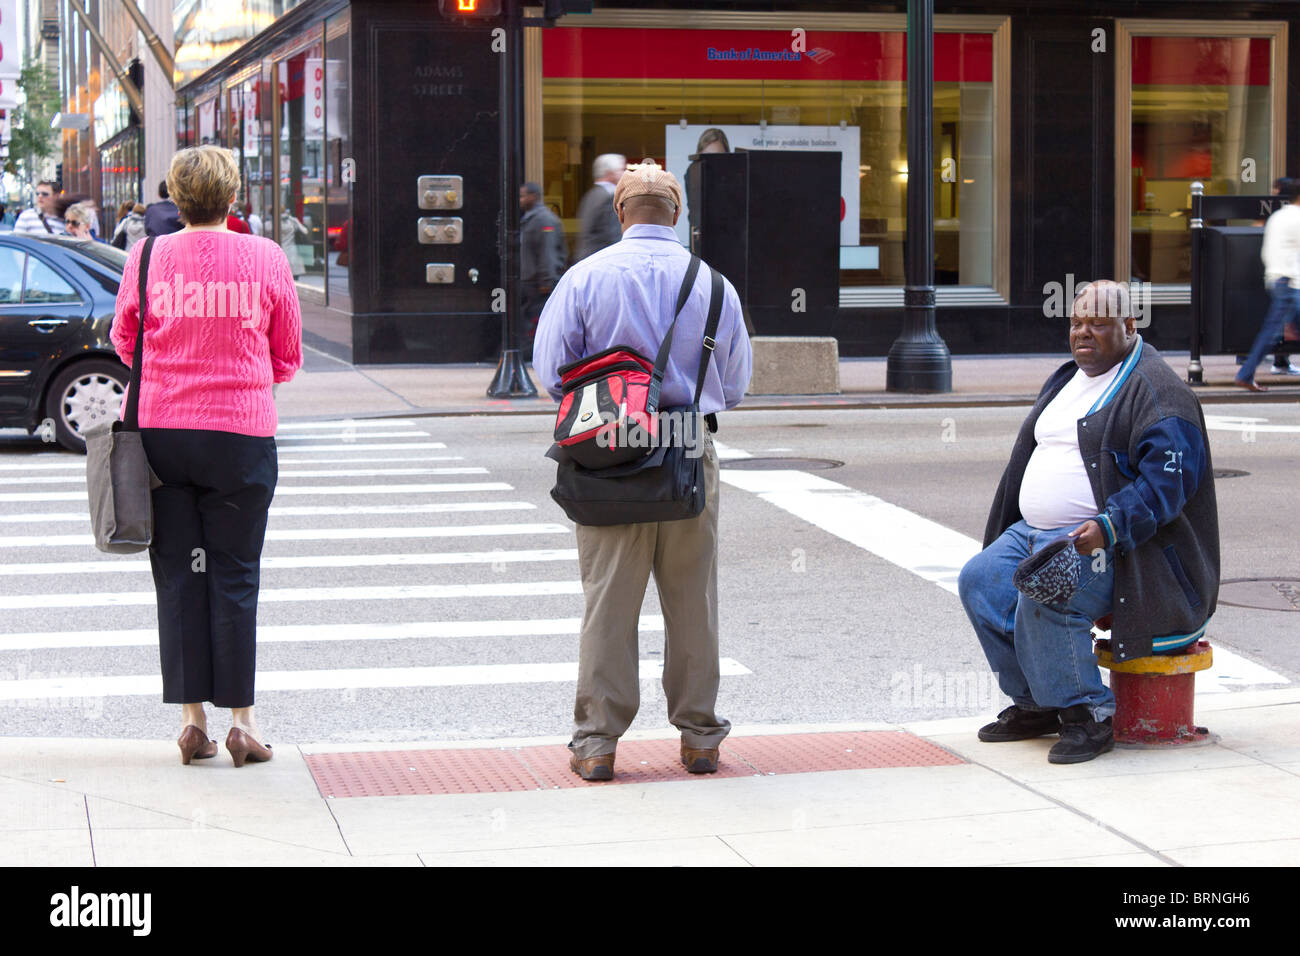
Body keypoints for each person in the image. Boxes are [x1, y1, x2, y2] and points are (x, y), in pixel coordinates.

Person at [533, 159, 753, 781]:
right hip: (689, 450)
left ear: (622, 212)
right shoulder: (714, 284)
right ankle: (701, 737)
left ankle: (597, 744)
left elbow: (551, 373)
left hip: (610, 455)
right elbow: (733, 385)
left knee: (608, 604)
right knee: (693, 604)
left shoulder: (584, 278)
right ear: (678, 215)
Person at [958, 280, 1219, 765]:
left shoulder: (1159, 392)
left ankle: (1088, 715)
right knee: (980, 581)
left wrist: (1109, 526)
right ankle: (1035, 703)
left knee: (1048, 591)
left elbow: (1169, 484)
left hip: (1121, 548)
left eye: (1098, 323)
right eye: (1076, 322)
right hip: (1036, 533)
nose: (1083, 332)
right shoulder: (1067, 378)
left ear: (1128, 325)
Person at [110, 145, 303, 767]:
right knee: (236, 571)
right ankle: (243, 722)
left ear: (175, 196)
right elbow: (287, 355)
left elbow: (124, 339)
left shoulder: (145, 256)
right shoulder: (266, 257)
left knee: (178, 573)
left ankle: (192, 721)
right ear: (233, 194)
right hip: (241, 435)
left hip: (162, 435)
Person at [1236, 177, 1300, 391]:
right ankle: (1245, 373)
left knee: (1273, 331)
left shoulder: (1276, 217)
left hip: (1276, 280)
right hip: (1291, 284)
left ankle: (1247, 373)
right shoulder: (1297, 218)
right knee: (1271, 332)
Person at [519, 181, 566, 357]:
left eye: (523, 196)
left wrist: (546, 281)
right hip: (530, 281)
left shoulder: (544, 220)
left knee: (537, 321)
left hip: (539, 283)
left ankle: (536, 356)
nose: (521, 200)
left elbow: (548, 252)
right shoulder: (530, 218)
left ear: (534, 196)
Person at [685, 128, 731, 252]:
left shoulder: (735, 177)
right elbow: (694, 211)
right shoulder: (692, 173)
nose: (713, 163)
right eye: (707, 157)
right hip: (701, 245)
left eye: (717, 157)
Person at [574, 153, 625, 262]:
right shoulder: (609, 198)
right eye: (620, 170)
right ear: (610, 173)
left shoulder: (590, 195)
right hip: (603, 260)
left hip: (587, 259)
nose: (623, 173)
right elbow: (613, 236)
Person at [279, 207, 309, 277]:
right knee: (293, 276)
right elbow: (305, 231)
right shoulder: (292, 221)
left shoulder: (268, 223)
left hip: (276, 251)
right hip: (291, 251)